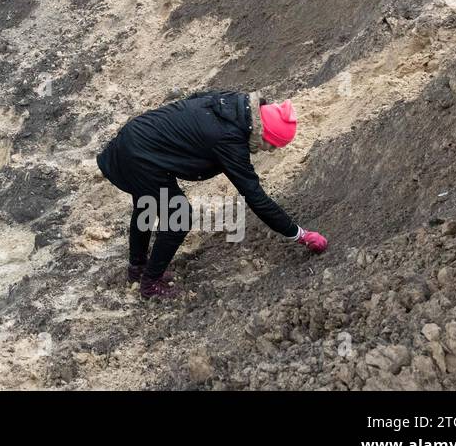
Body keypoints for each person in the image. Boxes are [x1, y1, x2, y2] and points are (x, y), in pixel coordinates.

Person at [96, 91, 327, 300]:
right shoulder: (229, 140)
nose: (270, 151)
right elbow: (255, 197)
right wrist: (299, 234)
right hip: (140, 153)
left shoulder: (235, 104)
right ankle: (150, 283)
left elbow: (194, 98)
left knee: (146, 204)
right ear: (265, 133)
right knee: (179, 216)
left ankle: (138, 268)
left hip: (138, 135)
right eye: (271, 146)